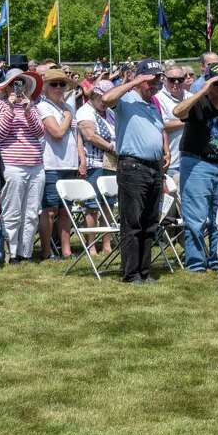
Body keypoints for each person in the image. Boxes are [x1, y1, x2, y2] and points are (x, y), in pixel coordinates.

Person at [101, 59, 168, 284]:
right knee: (132, 221)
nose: (155, 83)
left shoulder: (153, 104)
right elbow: (105, 99)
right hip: (133, 166)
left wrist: (164, 151)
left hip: (154, 167)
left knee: (150, 222)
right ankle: (130, 273)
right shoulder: (126, 99)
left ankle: (144, 271)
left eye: (158, 79)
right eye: (151, 79)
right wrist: (134, 81)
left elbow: (159, 131)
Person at [172, 63, 218, 272]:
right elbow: (177, 111)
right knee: (196, 218)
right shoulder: (199, 103)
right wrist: (202, 91)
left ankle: (216, 261)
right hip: (197, 163)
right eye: (216, 82)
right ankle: (196, 264)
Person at [0, 68, 46, 261]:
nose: (17, 88)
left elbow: (40, 132)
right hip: (13, 165)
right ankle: (11, 252)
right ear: (6, 87)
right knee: (13, 211)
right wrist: (12, 109)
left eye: (20, 84)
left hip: (36, 165)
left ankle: (26, 252)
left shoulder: (33, 106)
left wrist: (28, 110)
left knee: (31, 213)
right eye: (14, 84)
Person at [35, 67, 83, 261]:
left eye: (62, 84)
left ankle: (66, 250)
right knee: (50, 210)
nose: (58, 87)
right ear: (45, 87)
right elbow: (57, 132)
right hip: (51, 164)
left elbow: (76, 135)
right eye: (54, 84)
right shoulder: (43, 107)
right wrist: (68, 117)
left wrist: (82, 158)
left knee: (66, 210)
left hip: (70, 164)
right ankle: (46, 250)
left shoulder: (68, 107)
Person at [76, 79, 118, 255]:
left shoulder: (109, 113)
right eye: (102, 97)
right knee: (92, 206)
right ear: (94, 95)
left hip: (111, 164)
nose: (104, 101)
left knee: (108, 206)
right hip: (94, 164)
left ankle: (107, 244)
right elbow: (90, 135)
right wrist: (111, 147)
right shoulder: (85, 111)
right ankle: (91, 245)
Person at [155, 65, 186, 184]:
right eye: (172, 80)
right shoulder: (158, 99)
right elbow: (161, 125)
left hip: (191, 160)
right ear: (164, 79)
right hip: (172, 163)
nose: (176, 83)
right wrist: (187, 121)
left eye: (180, 79)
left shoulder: (190, 97)